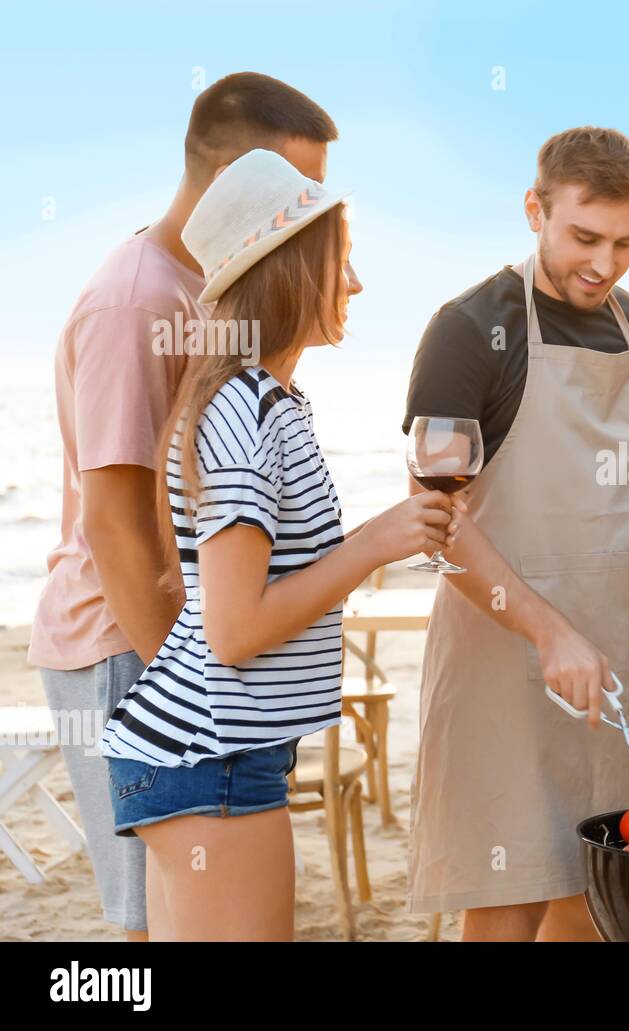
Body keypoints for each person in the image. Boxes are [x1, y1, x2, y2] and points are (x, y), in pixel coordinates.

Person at [97, 149, 461, 941]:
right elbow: (235, 630)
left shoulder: (268, 399)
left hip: (198, 751)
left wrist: (377, 538)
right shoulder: (247, 410)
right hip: (209, 753)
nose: (356, 284)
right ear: (289, 269)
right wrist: (374, 543)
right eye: (342, 263)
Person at [28, 72, 338, 941]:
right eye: (302, 187)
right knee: (147, 932)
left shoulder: (206, 291)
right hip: (127, 639)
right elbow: (114, 519)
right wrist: (198, 686)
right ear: (242, 178)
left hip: (169, 645)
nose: (314, 212)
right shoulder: (139, 299)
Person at [403, 127, 629, 942]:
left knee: (605, 886)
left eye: (626, 243)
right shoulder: (467, 328)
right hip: (507, 654)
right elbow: (437, 520)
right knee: (510, 894)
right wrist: (548, 630)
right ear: (535, 209)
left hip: (624, 654)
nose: (603, 264)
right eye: (584, 237)